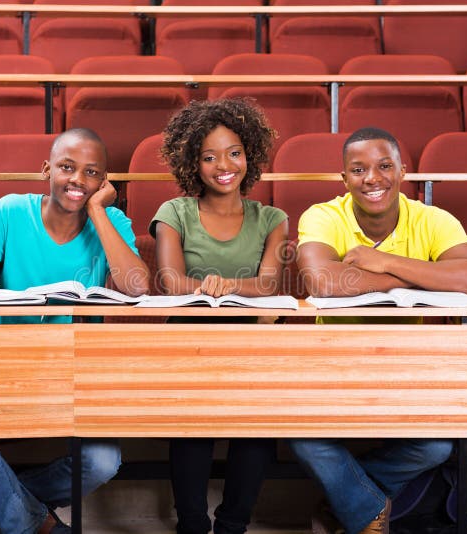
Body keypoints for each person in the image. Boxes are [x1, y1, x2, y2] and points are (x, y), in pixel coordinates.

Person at [287, 127, 467, 534]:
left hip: (408, 364)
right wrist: (426, 277)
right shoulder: (324, 215)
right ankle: (366, 514)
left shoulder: (431, 219)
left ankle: (342, 505)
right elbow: (323, 281)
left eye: (384, 166)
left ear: (403, 170)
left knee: (436, 445)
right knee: (300, 433)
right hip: (333, 361)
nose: (372, 178)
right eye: (358, 169)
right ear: (343, 179)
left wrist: (386, 263)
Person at [0, 128, 150, 534]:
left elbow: (137, 286)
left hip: (78, 367)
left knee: (103, 461)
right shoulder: (10, 211)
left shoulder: (111, 221)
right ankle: (40, 524)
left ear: (103, 181)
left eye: (91, 173)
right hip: (9, 361)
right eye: (67, 168)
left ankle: (11, 503)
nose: (77, 180)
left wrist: (96, 212)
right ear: (47, 169)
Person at [150, 98, 288, 534]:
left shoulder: (272, 218)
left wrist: (222, 286)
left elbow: (268, 285)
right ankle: (192, 524)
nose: (223, 165)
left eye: (233, 153)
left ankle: (232, 525)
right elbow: (171, 281)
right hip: (190, 346)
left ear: (249, 154)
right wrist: (214, 287)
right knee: (193, 430)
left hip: (254, 346)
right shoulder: (176, 212)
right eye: (209, 156)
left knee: (256, 432)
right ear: (193, 162)